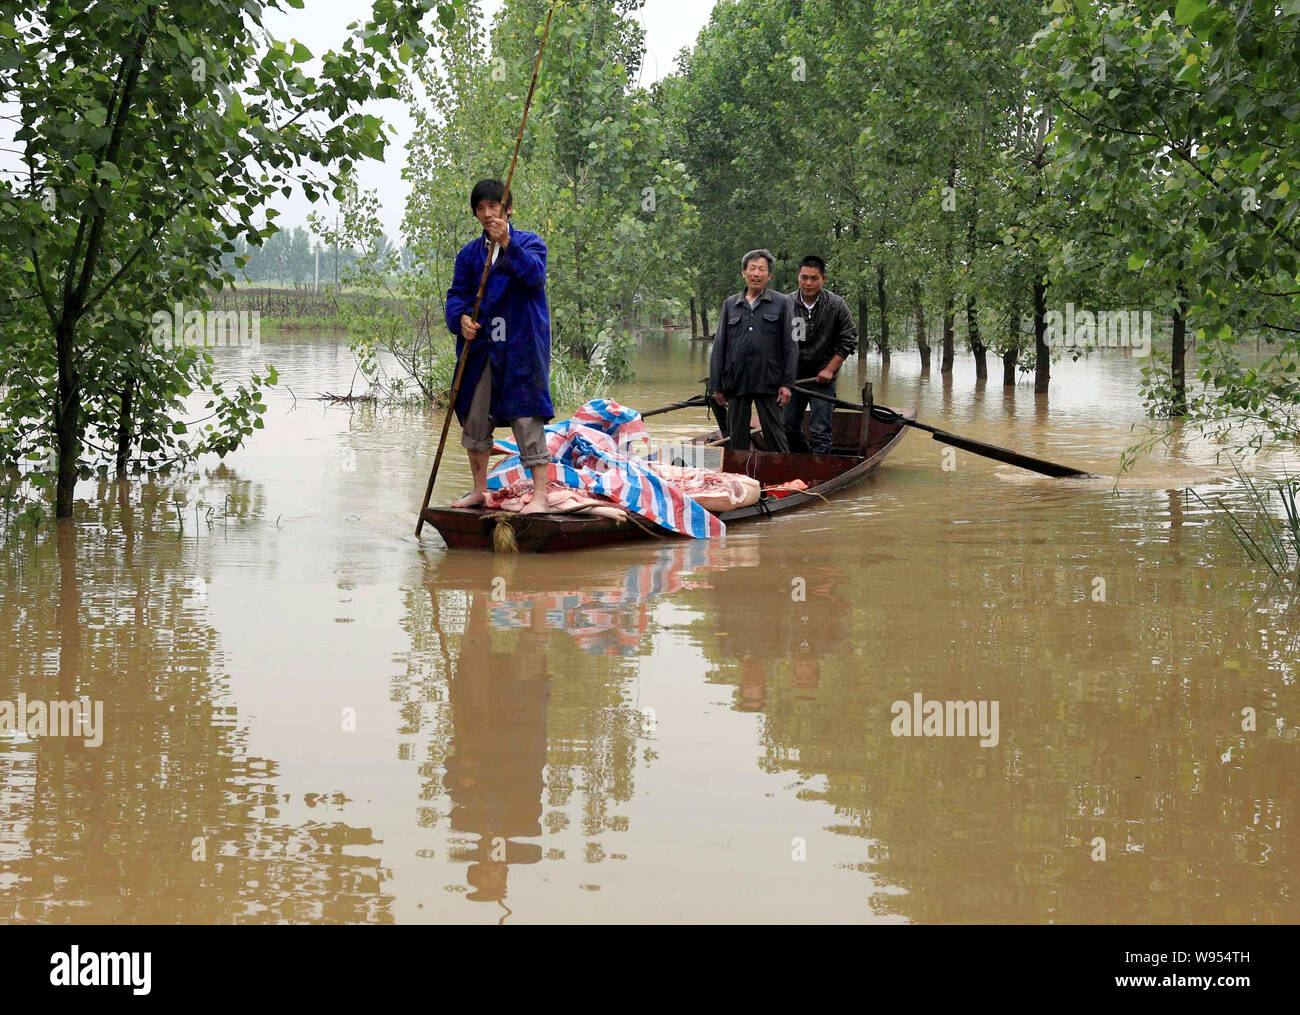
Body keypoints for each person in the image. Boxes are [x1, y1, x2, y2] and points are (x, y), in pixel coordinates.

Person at [444, 179, 554, 513]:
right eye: (481, 208)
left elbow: (535, 277)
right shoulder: (468, 255)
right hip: (482, 350)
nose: (487, 213)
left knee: (526, 416)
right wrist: (461, 319)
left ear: (508, 210)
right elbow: (456, 297)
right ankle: (480, 491)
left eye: (494, 206)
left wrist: (507, 243)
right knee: (475, 418)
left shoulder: (530, 244)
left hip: (520, 346)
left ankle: (540, 496)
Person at [708, 249, 796, 452]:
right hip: (736, 380)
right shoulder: (731, 304)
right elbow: (720, 346)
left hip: (769, 379)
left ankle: (783, 477)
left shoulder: (782, 303)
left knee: (775, 433)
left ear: (769, 275)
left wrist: (787, 384)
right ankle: (739, 477)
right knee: (736, 435)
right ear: (743, 273)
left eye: (761, 269)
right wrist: (716, 385)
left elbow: (790, 347)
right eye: (752, 269)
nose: (756, 273)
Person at [783, 255, 858, 454]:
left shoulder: (836, 305)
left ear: (823, 279)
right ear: (798, 277)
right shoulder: (786, 304)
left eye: (813, 278)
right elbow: (774, 341)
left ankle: (819, 472)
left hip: (822, 377)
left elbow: (849, 340)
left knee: (820, 429)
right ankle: (803, 460)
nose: (808, 283)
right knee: (787, 425)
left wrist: (829, 369)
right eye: (804, 277)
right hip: (793, 377)